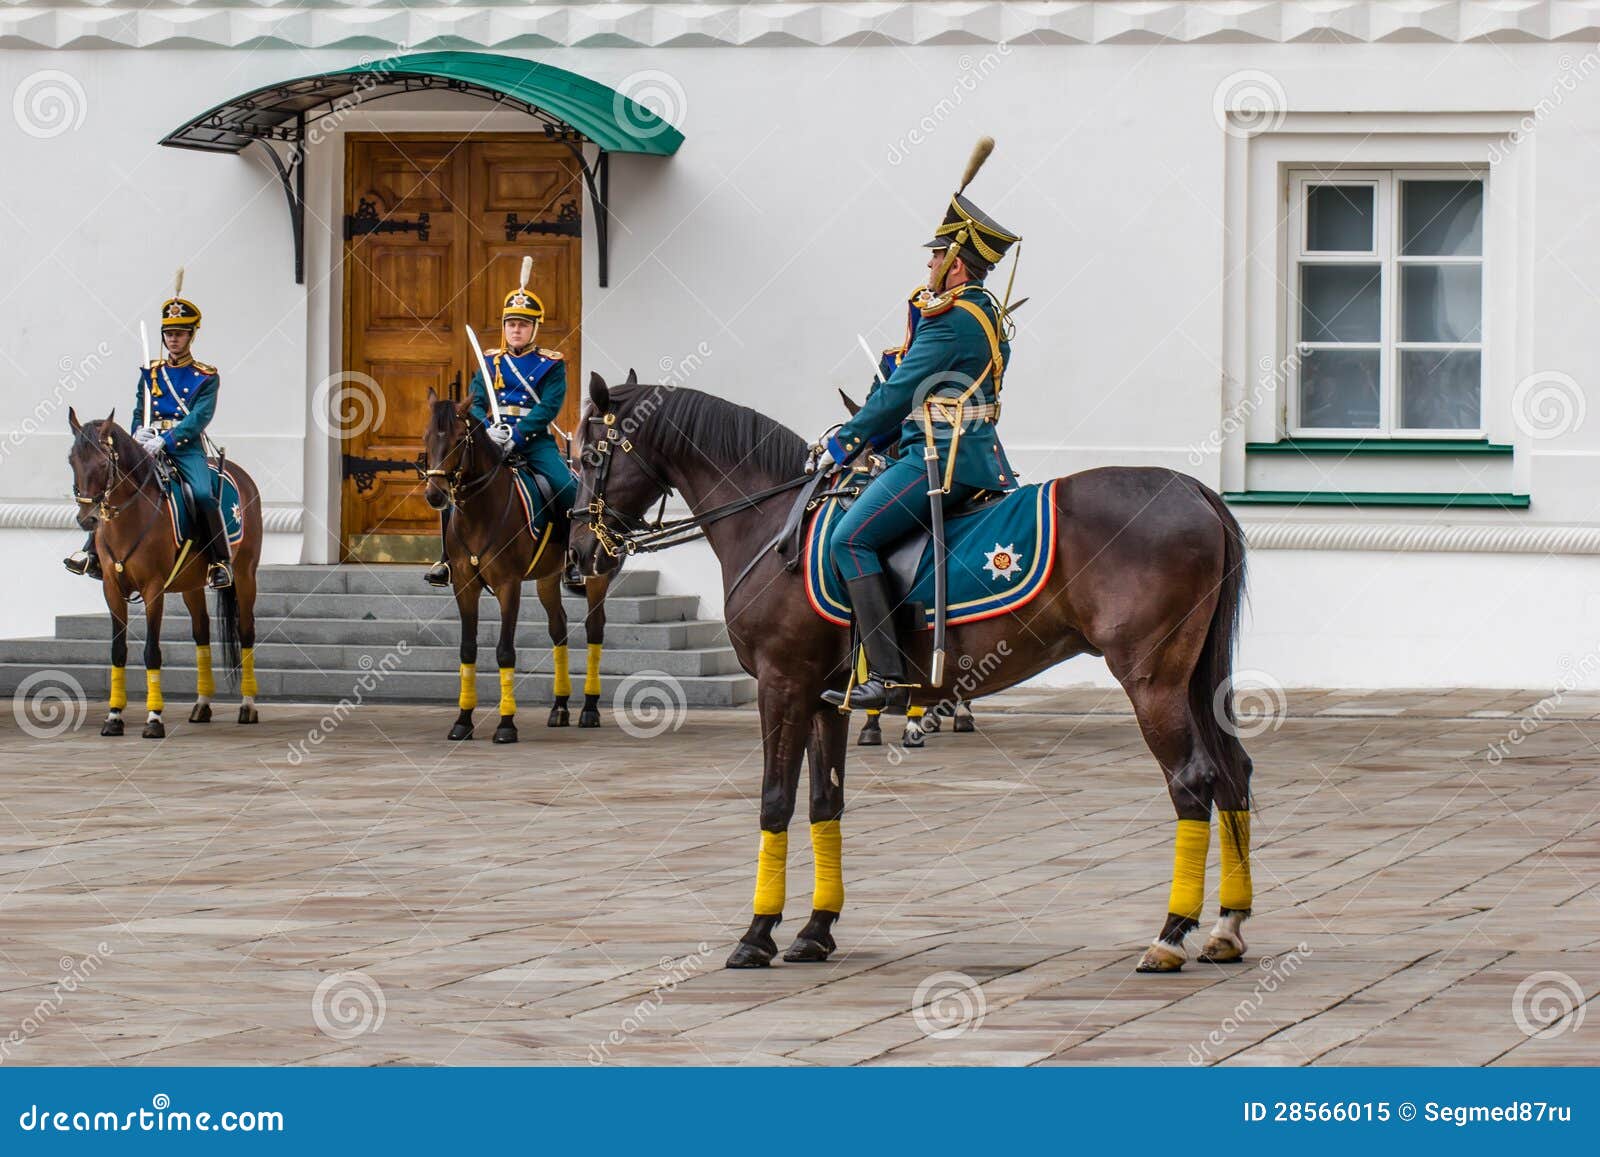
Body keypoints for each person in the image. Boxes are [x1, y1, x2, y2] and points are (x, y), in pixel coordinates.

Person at [810, 139, 1020, 710]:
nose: (926, 265)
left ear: (954, 264)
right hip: (975, 452)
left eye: (933, 258)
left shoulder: (953, 319)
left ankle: (886, 674)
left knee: (848, 538)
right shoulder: (980, 312)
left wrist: (845, 440)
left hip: (939, 456)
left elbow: (902, 393)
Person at [65, 270, 233, 589]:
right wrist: (138, 433)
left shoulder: (206, 376)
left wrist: (166, 440)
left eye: (180, 333)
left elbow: (199, 418)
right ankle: (92, 554)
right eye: (169, 333)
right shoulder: (152, 373)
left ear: (192, 335)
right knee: (113, 487)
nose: (173, 339)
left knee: (201, 495)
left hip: (184, 448)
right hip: (147, 445)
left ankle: (218, 561)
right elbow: (139, 409)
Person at [424, 258, 576, 587]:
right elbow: (475, 402)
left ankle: (572, 557)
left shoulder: (551, 365)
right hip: (490, 440)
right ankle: (447, 560)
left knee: (567, 487)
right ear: (505, 326)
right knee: (454, 486)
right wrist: (488, 431)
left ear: (535, 327)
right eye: (511, 324)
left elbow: (548, 407)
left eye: (523, 324)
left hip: (534, 442)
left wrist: (517, 436)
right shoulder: (491, 361)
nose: (516, 329)